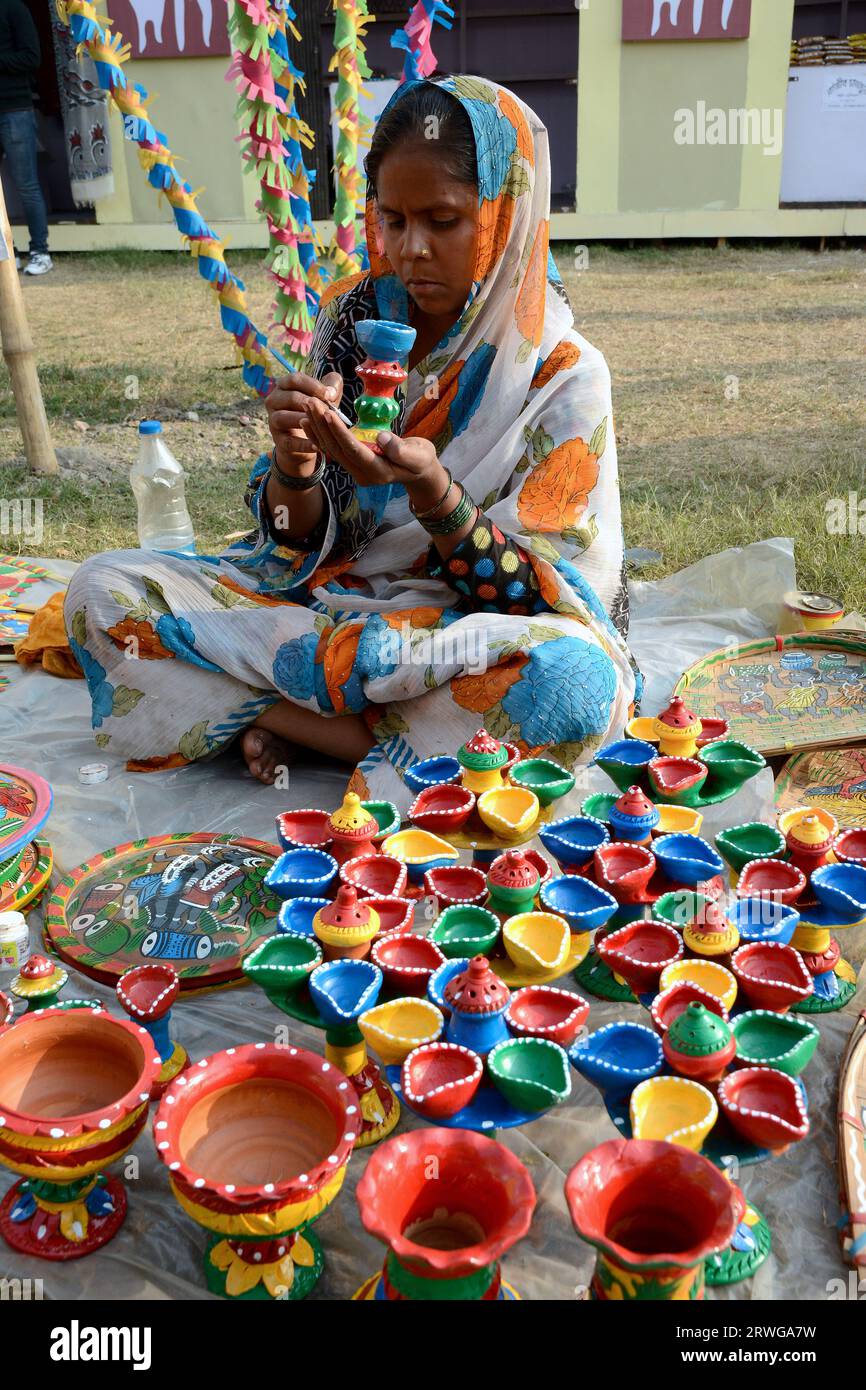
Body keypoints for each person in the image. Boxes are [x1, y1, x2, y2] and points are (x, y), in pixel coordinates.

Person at [64, 76, 639, 809]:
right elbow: (296, 542)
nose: (411, 250)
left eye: (443, 219)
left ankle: (292, 723)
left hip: (461, 630)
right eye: (392, 219)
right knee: (103, 594)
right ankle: (372, 736)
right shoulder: (354, 314)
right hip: (329, 608)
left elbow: (548, 593)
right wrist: (295, 470)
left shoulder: (563, 374)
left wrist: (435, 496)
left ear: (504, 214)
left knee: (573, 686)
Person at [0, 0, 52, 275]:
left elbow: (32, 57)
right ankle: (8, 254)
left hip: (15, 108)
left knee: (26, 184)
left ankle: (40, 251)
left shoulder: (13, 7)